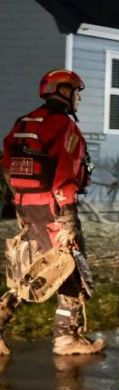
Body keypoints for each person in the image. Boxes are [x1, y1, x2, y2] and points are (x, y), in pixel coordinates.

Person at [0, 70, 104, 357]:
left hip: (27, 205)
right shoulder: (64, 127)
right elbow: (63, 177)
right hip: (54, 206)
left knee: (36, 267)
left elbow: (7, 165)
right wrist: (67, 220)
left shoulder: (23, 122)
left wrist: (20, 202)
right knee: (68, 266)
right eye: (76, 93)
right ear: (64, 92)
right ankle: (67, 337)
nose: (79, 99)